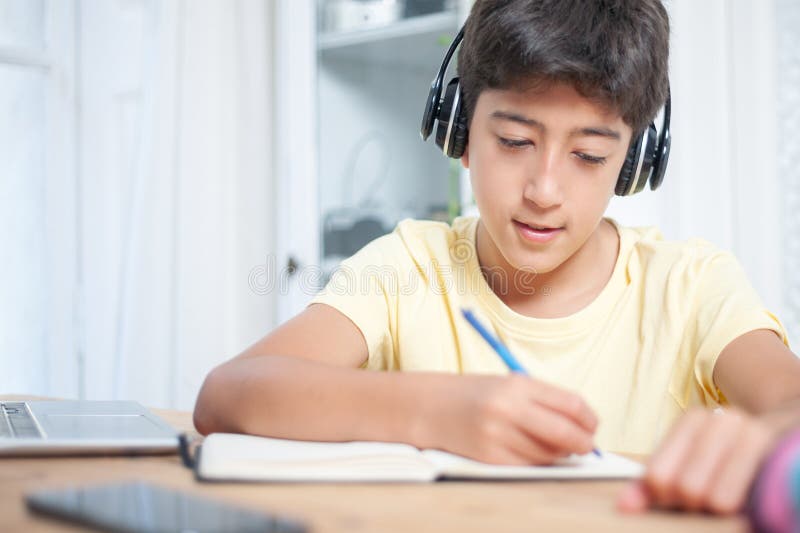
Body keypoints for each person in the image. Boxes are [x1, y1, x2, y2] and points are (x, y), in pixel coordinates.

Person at [194, 0, 800, 516]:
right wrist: (433, 410)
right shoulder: (410, 269)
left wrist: (763, 436)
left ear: (635, 163)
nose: (543, 189)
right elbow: (227, 394)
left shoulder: (692, 288)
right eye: (514, 142)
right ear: (457, 129)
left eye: (588, 155)